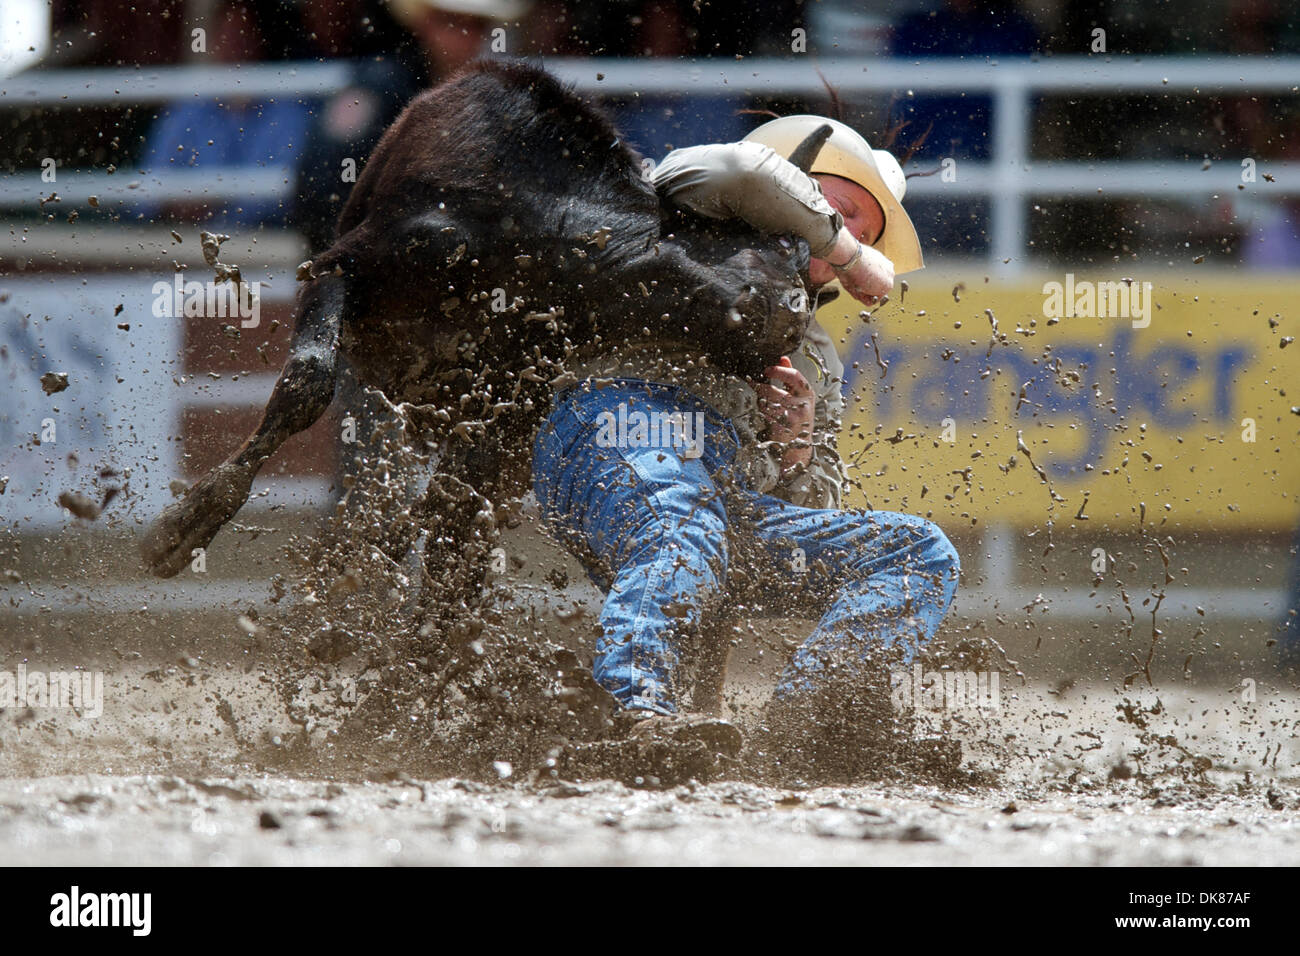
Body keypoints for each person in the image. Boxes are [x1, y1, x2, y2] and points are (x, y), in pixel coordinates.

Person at [531, 116, 961, 779]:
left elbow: (812, 500)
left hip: (716, 493)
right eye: (837, 207)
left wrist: (794, 448)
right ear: (798, 183)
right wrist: (846, 248)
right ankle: (634, 711)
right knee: (684, 531)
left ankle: (813, 726)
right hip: (614, 420)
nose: (841, 232)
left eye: (864, 229)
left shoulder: (817, 357)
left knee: (916, 552)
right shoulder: (679, 206)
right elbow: (746, 172)